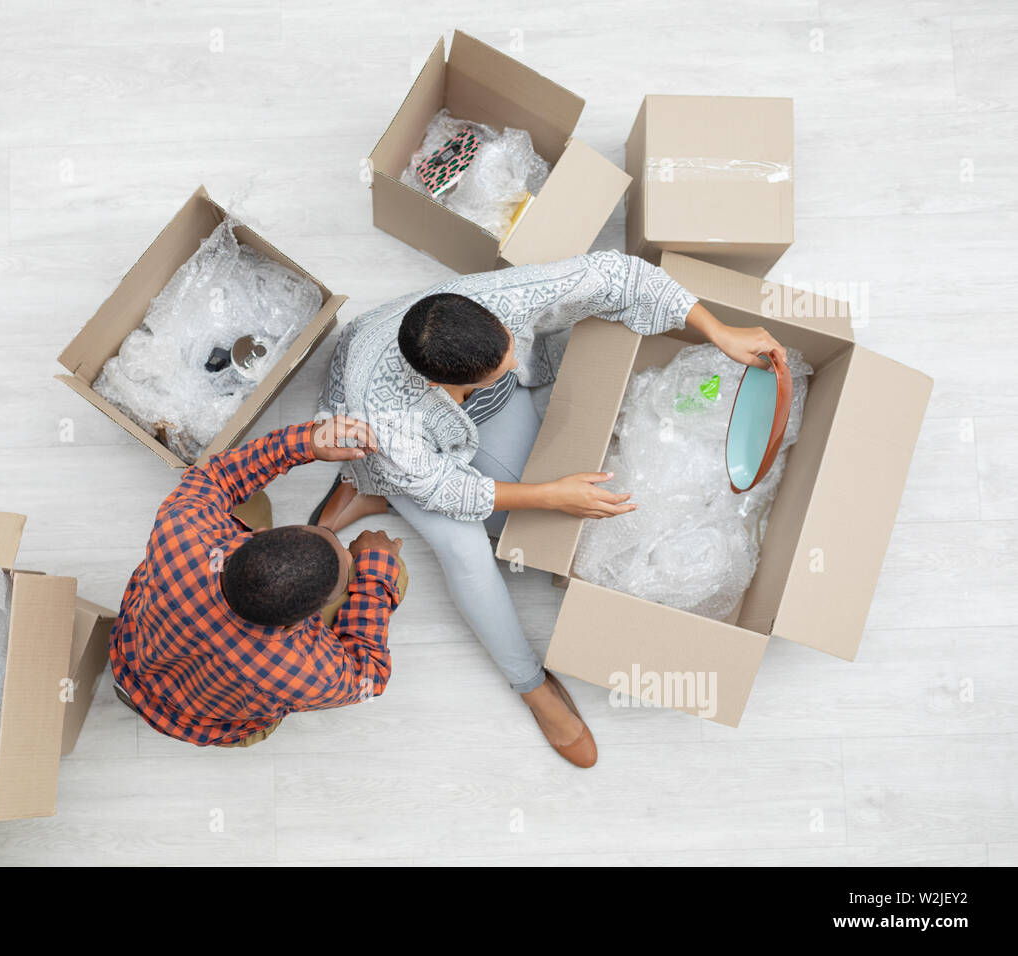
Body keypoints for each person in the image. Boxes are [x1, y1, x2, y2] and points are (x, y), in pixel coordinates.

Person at [314, 250, 784, 767]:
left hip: (466, 421)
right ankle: (530, 685)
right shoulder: (383, 417)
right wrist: (552, 494)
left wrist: (718, 330)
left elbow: (620, 274)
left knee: (568, 439)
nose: (514, 362)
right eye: (499, 369)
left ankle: (374, 491)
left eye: (509, 348)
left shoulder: (494, 302)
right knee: (469, 548)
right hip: (400, 452)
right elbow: (449, 491)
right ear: (439, 386)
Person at [111, 416, 407, 748]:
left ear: (258, 537)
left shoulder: (181, 532)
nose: (350, 553)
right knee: (394, 573)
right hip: (217, 724)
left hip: (134, 660)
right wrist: (377, 566)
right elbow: (369, 678)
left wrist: (305, 441)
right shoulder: (301, 672)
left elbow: (216, 477)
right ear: (298, 626)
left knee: (252, 500)